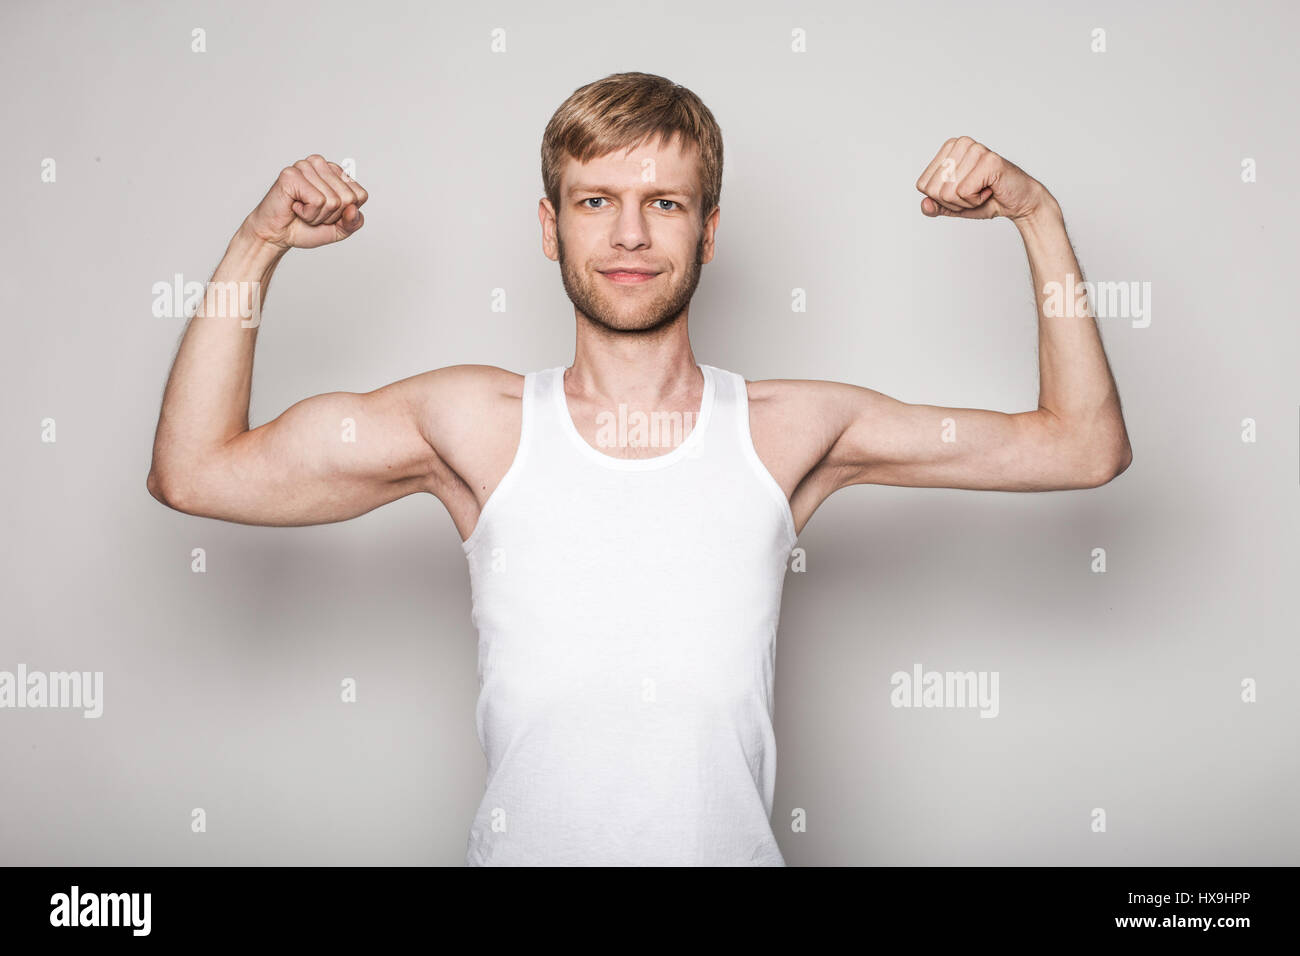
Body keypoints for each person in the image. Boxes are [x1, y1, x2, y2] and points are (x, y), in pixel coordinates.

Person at [146, 72, 1132, 866]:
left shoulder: (788, 430)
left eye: (663, 202)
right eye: (595, 201)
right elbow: (196, 470)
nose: (627, 233)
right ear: (550, 228)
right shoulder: (473, 426)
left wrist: (1036, 215)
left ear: (707, 231)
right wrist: (259, 240)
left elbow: (1081, 445)